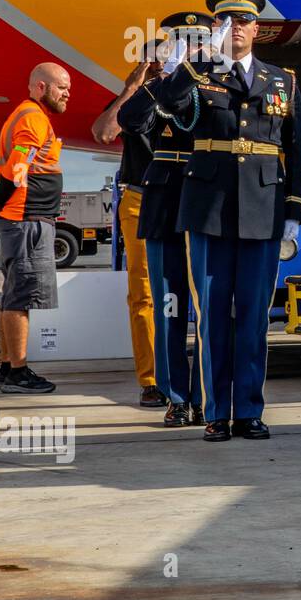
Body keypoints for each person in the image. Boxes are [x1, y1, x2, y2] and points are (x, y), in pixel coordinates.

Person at [154, 0, 301, 442]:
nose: (235, 28)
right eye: (227, 21)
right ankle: (217, 412)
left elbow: (295, 150)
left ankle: (250, 412)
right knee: (214, 316)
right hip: (209, 210)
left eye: (243, 21)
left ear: (257, 29)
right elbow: (165, 104)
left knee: (255, 317)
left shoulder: (283, 80)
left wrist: (294, 210)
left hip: (262, 210)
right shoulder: (198, 74)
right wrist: (202, 57)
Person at [117, 13, 209, 427]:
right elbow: (129, 120)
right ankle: (174, 395)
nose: (186, 49)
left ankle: (208, 397)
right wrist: (161, 78)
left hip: (208, 207)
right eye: (179, 41)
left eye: (195, 41)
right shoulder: (156, 88)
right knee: (168, 306)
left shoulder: (222, 85)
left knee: (211, 308)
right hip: (163, 206)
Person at [0, 62, 70, 394]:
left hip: (21, 219)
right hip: (27, 220)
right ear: (40, 87)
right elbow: (18, 167)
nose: (67, 95)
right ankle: (18, 371)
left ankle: (7, 367)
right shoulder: (32, 118)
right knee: (21, 296)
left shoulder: (25, 115)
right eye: (62, 87)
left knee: (11, 295)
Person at [92, 42, 165, 409]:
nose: (158, 65)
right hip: (139, 198)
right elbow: (104, 132)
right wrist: (134, 85)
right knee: (143, 295)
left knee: (201, 292)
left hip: (184, 200)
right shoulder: (135, 98)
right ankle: (151, 380)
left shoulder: (190, 93)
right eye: (151, 60)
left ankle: (197, 375)